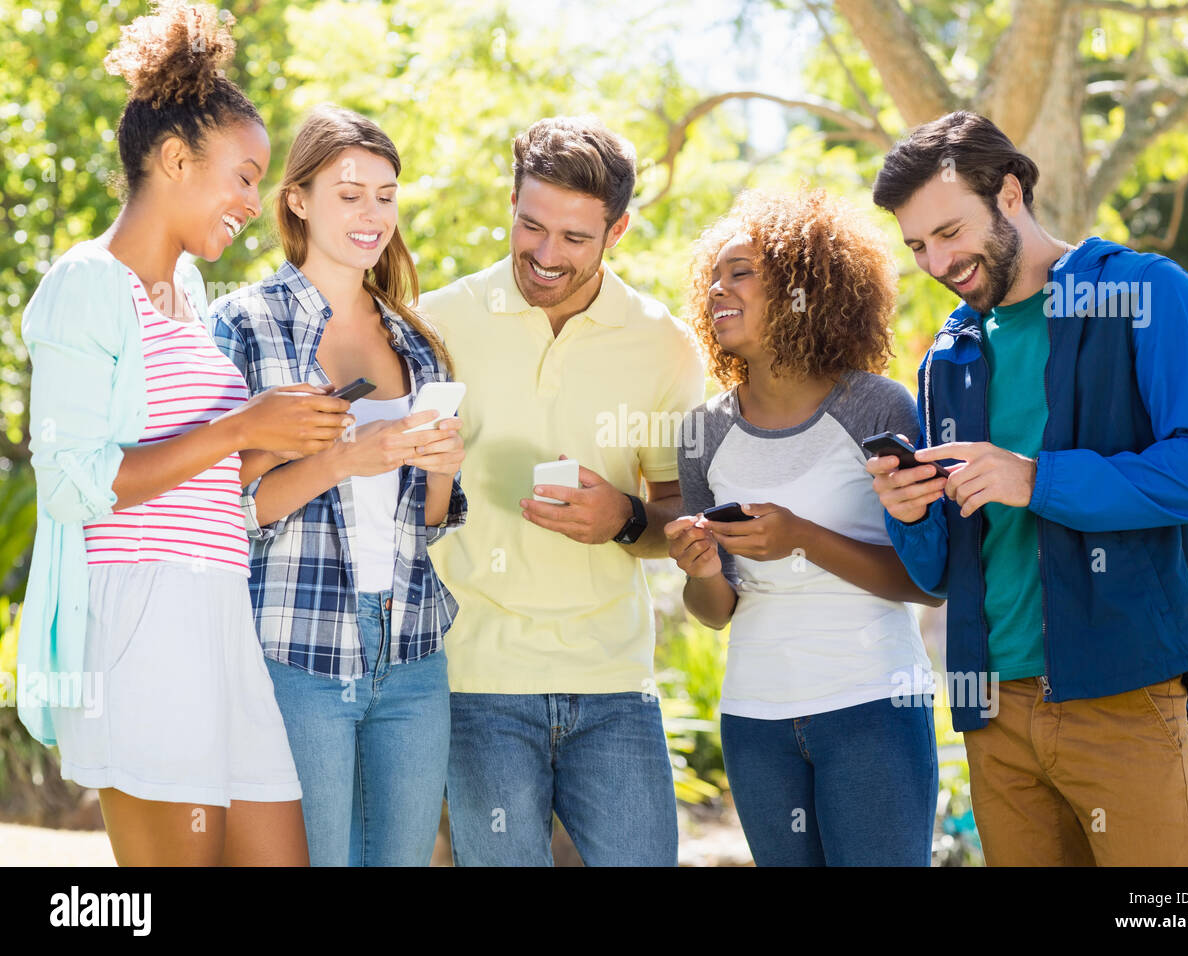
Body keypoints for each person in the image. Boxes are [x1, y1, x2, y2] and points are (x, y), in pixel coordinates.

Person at [866, 110, 1188, 866]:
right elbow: (945, 571)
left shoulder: (1145, 293)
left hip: (1122, 696)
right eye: (917, 245)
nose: (937, 261)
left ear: (1010, 194)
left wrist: (1038, 479)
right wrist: (910, 512)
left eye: (950, 232)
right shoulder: (950, 354)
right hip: (994, 713)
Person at [18, 0, 352, 866]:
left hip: (216, 610)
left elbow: (192, 478)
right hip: (140, 619)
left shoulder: (187, 299)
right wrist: (243, 424)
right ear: (174, 158)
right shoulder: (87, 284)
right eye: (243, 175)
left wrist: (273, 441)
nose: (254, 200)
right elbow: (74, 483)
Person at [418, 116, 705, 866]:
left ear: (619, 231)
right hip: (478, 677)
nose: (545, 257)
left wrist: (623, 516)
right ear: (510, 203)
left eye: (576, 239)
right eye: (530, 226)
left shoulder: (662, 343)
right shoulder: (437, 323)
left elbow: (681, 519)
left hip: (613, 679)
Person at [208, 105, 466, 867]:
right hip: (295, 650)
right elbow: (224, 508)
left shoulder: (416, 342)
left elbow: (433, 521)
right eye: (349, 193)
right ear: (298, 198)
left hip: (414, 653)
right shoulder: (243, 325)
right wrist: (344, 461)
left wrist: (443, 472)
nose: (372, 214)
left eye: (386, 196)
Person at [666, 189, 941, 866]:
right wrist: (701, 570)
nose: (717, 288)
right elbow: (715, 612)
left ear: (804, 286)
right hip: (754, 718)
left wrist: (801, 538)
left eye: (741, 272)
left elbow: (927, 583)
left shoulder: (879, 405)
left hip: (872, 705)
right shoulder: (702, 433)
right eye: (713, 276)